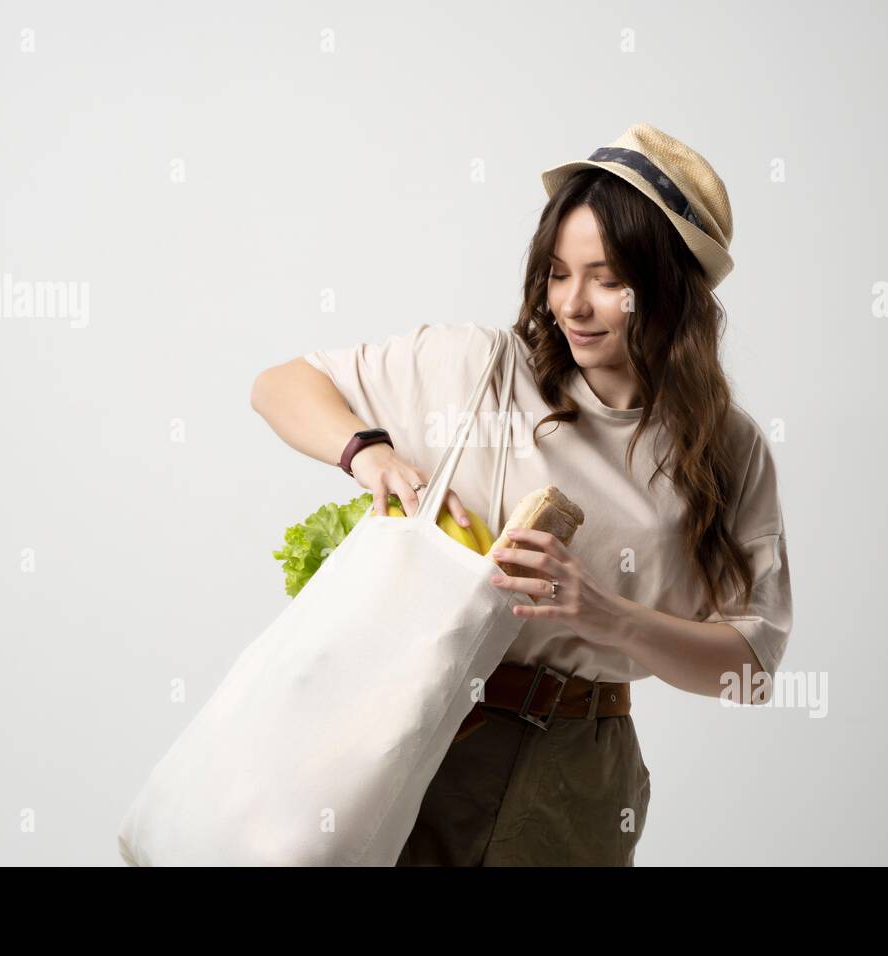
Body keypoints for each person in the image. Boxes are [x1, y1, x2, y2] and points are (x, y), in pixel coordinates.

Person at [250, 122, 792, 866]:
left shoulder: (727, 447)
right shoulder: (481, 370)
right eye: (558, 273)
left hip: (580, 778)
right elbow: (281, 385)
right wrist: (365, 452)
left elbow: (750, 671)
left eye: (606, 279)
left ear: (670, 287)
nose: (572, 304)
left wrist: (607, 615)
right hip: (420, 735)